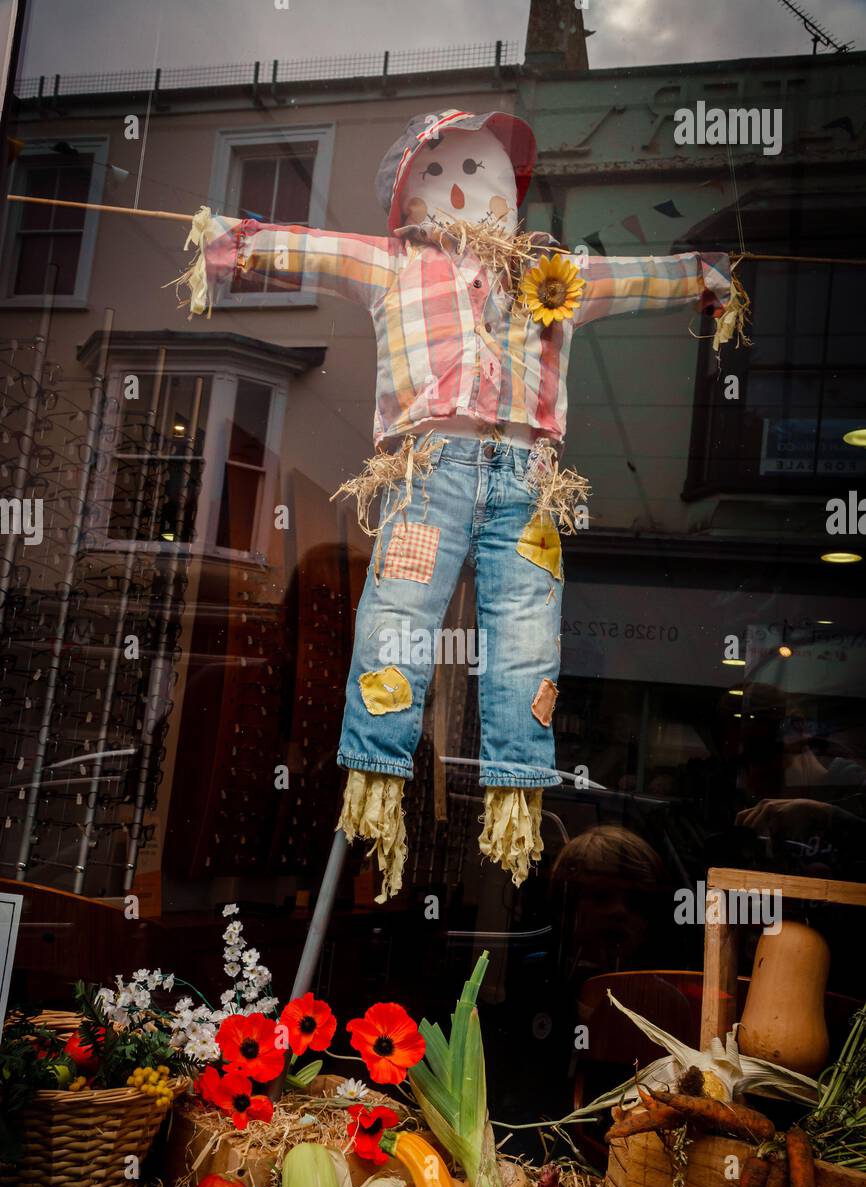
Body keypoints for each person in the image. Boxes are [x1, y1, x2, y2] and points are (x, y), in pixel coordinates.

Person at [176, 109, 749, 903]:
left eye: (478, 171)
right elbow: (315, 250)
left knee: (526, 632)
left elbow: (637, 277)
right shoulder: (394, 263)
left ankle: (513, 791)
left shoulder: (557, 275)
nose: (458, 189)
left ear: (512, 190)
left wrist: (703, 276)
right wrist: (234, 242)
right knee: (399, 615)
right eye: (438, 173)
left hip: (527, 479)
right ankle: (376, 780)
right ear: (406, 197)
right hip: (430, 471)